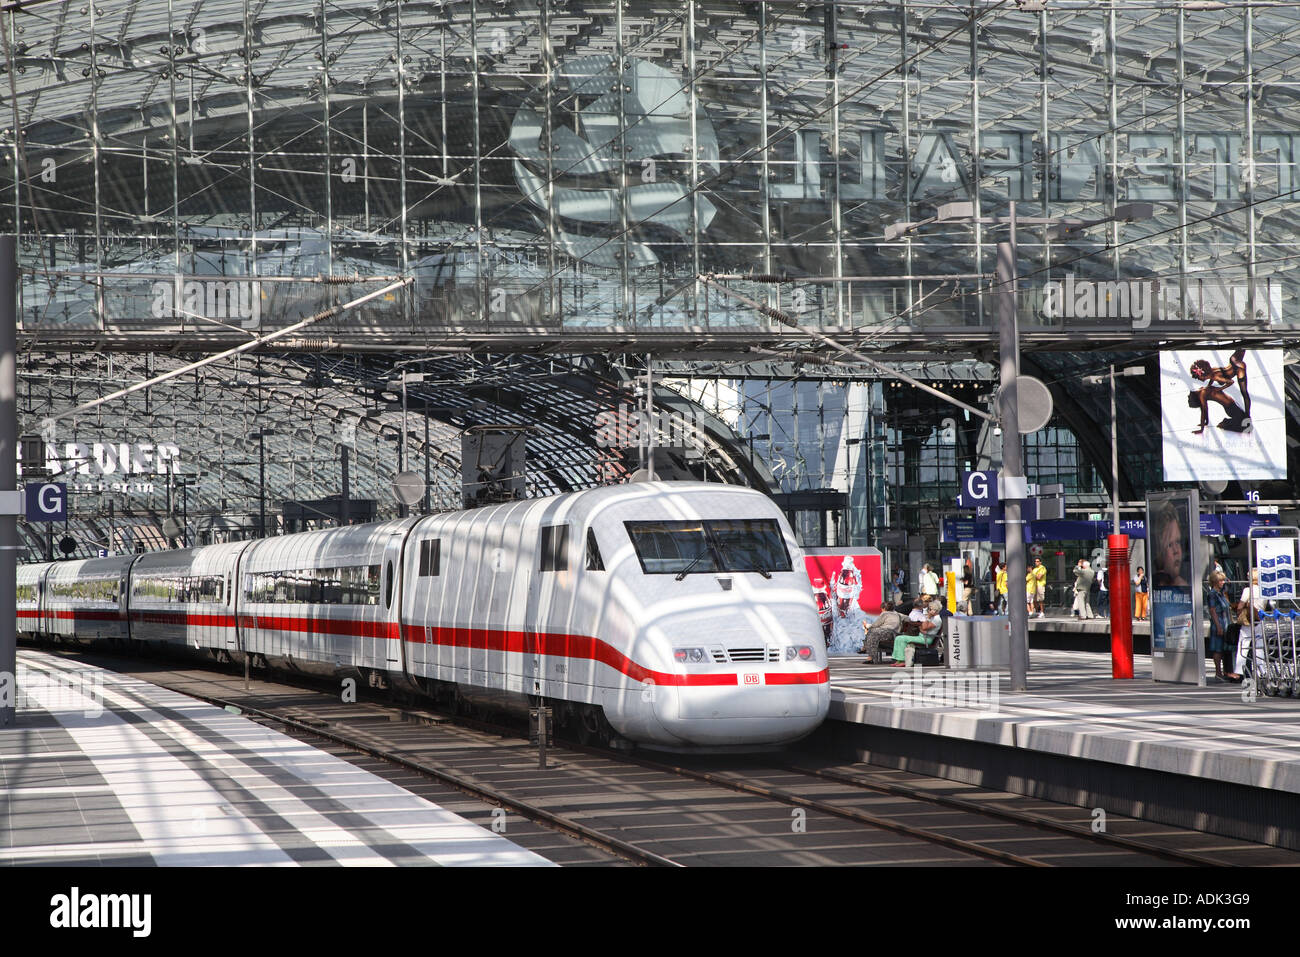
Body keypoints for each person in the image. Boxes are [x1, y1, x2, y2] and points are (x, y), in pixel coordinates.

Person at [1188, 348, 1251, 435]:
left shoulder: (1210, 382)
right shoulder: (1212, 373)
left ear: (1203, 374)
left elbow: (1204, 410)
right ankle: (1247, 418)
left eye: (1199, 377)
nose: (1199, 379)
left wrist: (1219, 389)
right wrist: (1205, 423)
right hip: (1233, 361)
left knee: (1245, 394)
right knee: (1242, 348)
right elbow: (1205, 409)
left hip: (1239, 369)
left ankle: (1247, 417)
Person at [893, 598, 941, 667]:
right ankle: (898, 660)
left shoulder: (937, 619)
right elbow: (923, 627)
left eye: (930, 609)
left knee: (902, 639)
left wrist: (927, 617)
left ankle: (903, 660)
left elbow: (924, 627)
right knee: (898, 638)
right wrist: (922, 626)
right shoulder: (932, 618)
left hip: (926, 639)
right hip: (922, 636)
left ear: (935, 610)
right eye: (929, 609)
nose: (928, 611)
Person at [1152, 502, 1190, 587]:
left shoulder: (1183, 586)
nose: (1176, 551)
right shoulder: (1155, 587)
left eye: (1178, 542)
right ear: (1159, 549)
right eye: (1170, 545)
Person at [1207, 571, 1233, 680]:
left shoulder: (1221, 593)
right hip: (1219, 623)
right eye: (1220, 580)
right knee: (1218, 649)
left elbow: (1228, 608)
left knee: (1225, 648)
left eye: (1223, 580)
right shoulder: (1212, 594)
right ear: (1215, 582)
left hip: (1226, 623)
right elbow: (1212, 611)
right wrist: (1218, 626)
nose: (1223, 582)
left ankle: (1226, 671)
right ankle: (1218, 672)